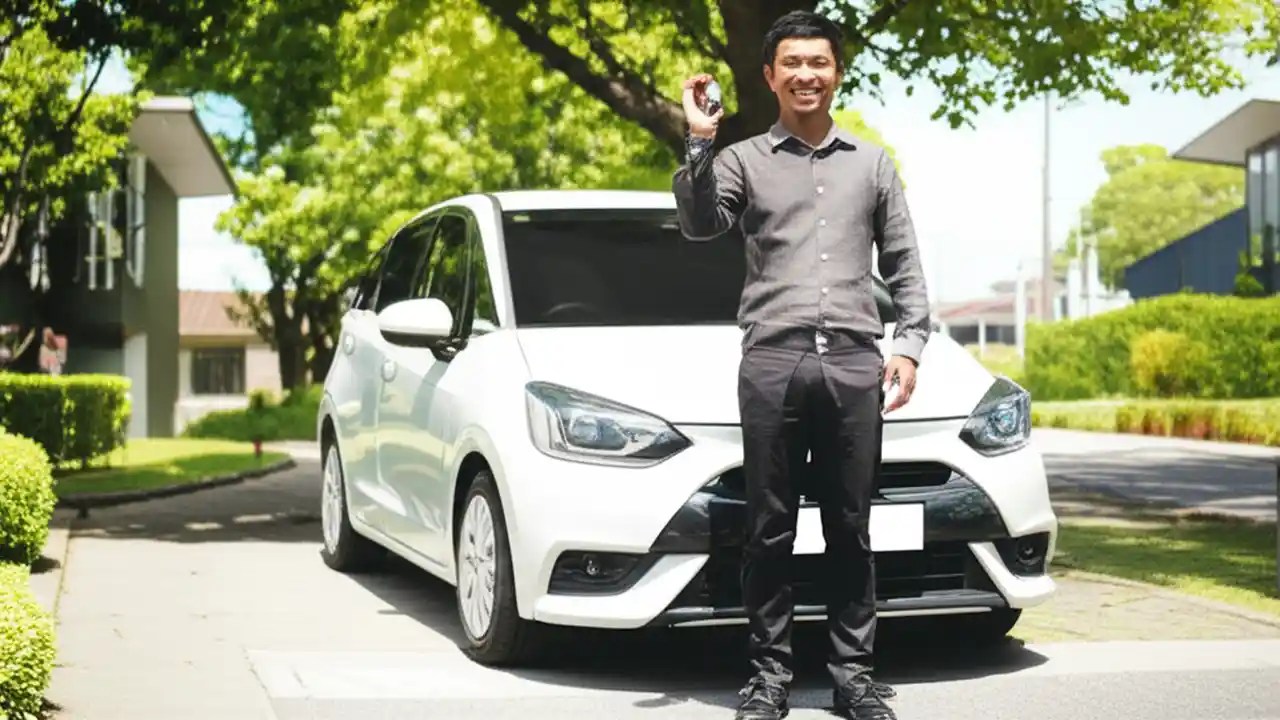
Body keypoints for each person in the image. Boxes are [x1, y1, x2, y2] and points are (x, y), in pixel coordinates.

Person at [671, 10, 931, 720]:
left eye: (819, 62)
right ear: (770, 75)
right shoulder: (742, 160)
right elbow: (699, 223)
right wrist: (699, 141)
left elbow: (904, 264)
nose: (806, 74)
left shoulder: (873, 164)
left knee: (851, 525)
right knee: (769, 526)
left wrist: (908, 345)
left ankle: (853, 679)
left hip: (852, 363)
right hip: (772, 362)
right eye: (792, 63)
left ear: (836, 71)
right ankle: (769, 678)